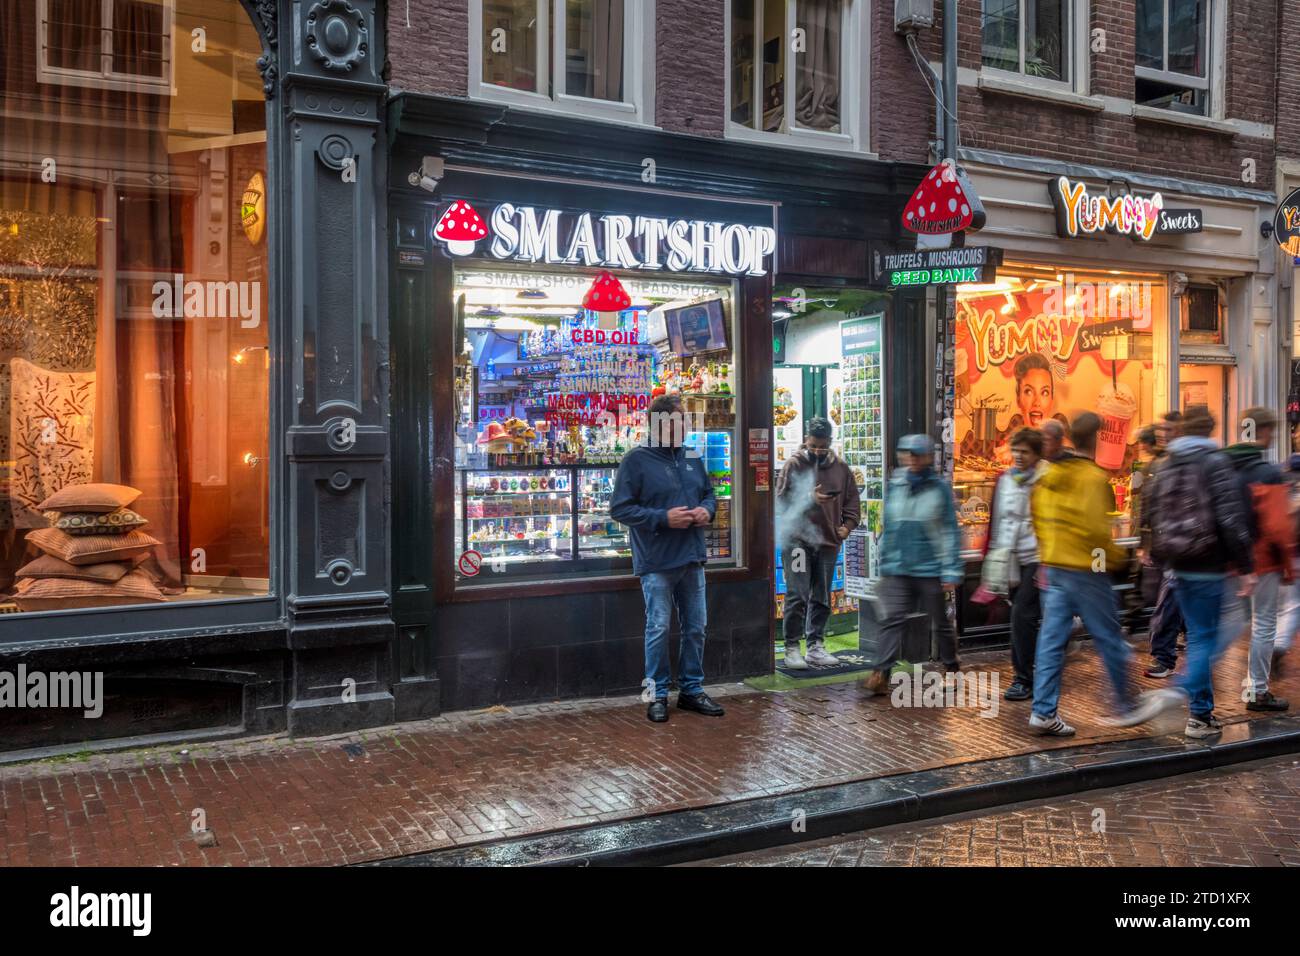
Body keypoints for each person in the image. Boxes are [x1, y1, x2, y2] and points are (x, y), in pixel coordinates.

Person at [1029, 413, 1176, 735]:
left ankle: (1042, 711)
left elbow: (1037, 519)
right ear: (1096, 439)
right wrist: (1113, 560)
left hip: (1055, 567)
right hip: (1086, 569)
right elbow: (1096, 532)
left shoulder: (1049, 474)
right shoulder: (1092, 478)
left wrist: (1050, 554)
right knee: (1109, 637)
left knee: (1052, 642)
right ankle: (1124, 705)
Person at [610, 392, 725, 723]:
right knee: (658, 627)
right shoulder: (636, 460)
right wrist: (663, 518)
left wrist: (707, 510)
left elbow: (708, 494)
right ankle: (656, 695)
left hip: (692, 557)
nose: (686, 424)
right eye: (680, 418)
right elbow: (620, 508)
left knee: (696, 627)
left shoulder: (691, 457)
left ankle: (691, 690)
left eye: (685, 419)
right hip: (657, 561)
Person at [1147, 404, 1256, 739]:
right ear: (1210, 429)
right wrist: (1247, 566)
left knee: (1198, 635)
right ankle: (1184, 695)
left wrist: (1156, 554)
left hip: (1177, 565)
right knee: (1221, 631)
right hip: (1209, 565)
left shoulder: (1166, 464)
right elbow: (1230, 518)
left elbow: (1152, 510)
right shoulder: (1215, 462)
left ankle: (1200, 714)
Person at [862, 434, 963, 694]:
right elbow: (890, 526)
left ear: (929, 457)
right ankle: (881, 673)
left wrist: (951, 568)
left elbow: (950, 530)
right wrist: (884, 560)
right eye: (909, 454)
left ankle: (951, 668)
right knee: (892, 619)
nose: (913, 459)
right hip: (898, 567)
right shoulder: (897, 485)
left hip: (929, 567)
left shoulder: (939, 488)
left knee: (939, 622)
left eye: (918, 454)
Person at [1221, 406, 1293, 712]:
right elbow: (1277, 527)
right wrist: (1288, 563)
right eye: (1271, 432)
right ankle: (1257, 690)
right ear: (1262, 431)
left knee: (1231, 624)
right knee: (1264, 623)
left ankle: (1203, 698)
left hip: (1228, 560)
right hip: (1261, 560)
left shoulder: (1223, 467)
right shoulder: (1268, 472)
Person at [775, 416, 861, 669]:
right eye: (813, 446)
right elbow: (780, 505)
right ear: (805, 440)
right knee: (797, 594)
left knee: (822, 596)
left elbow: (853, 503)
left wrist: (848, 526)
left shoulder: (842, 469)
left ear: (830, 443)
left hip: (828, 543)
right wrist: (807, 498)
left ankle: (816, 646)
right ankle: (792, 647)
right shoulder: (793, 465)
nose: (817, 451)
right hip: (797, 542)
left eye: (822, 447)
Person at [983, 427, 1046, 701]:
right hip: (1010, 557)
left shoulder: (1047, 479)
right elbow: (996, 519)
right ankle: (1032, 670)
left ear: (1036, 454)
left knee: (1022, 615)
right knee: (1024, 617)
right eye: (1016, 450)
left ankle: (1023, 679)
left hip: (1039, 557)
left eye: (1025, 451)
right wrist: (991, 556)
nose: (1019, 456)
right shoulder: (1004, 479)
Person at [1138, 410, 1187, 678]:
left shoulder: (1186, 463)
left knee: (1168, 602)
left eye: (1169, 431)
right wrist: (1145, 542)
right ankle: (1170, 652)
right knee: (1166, 599)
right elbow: (1148, 504)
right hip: (1165, 545)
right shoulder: (1157, 466)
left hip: (1182, 546)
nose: (1164, 436)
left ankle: (1164, 657)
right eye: (1161, 431)